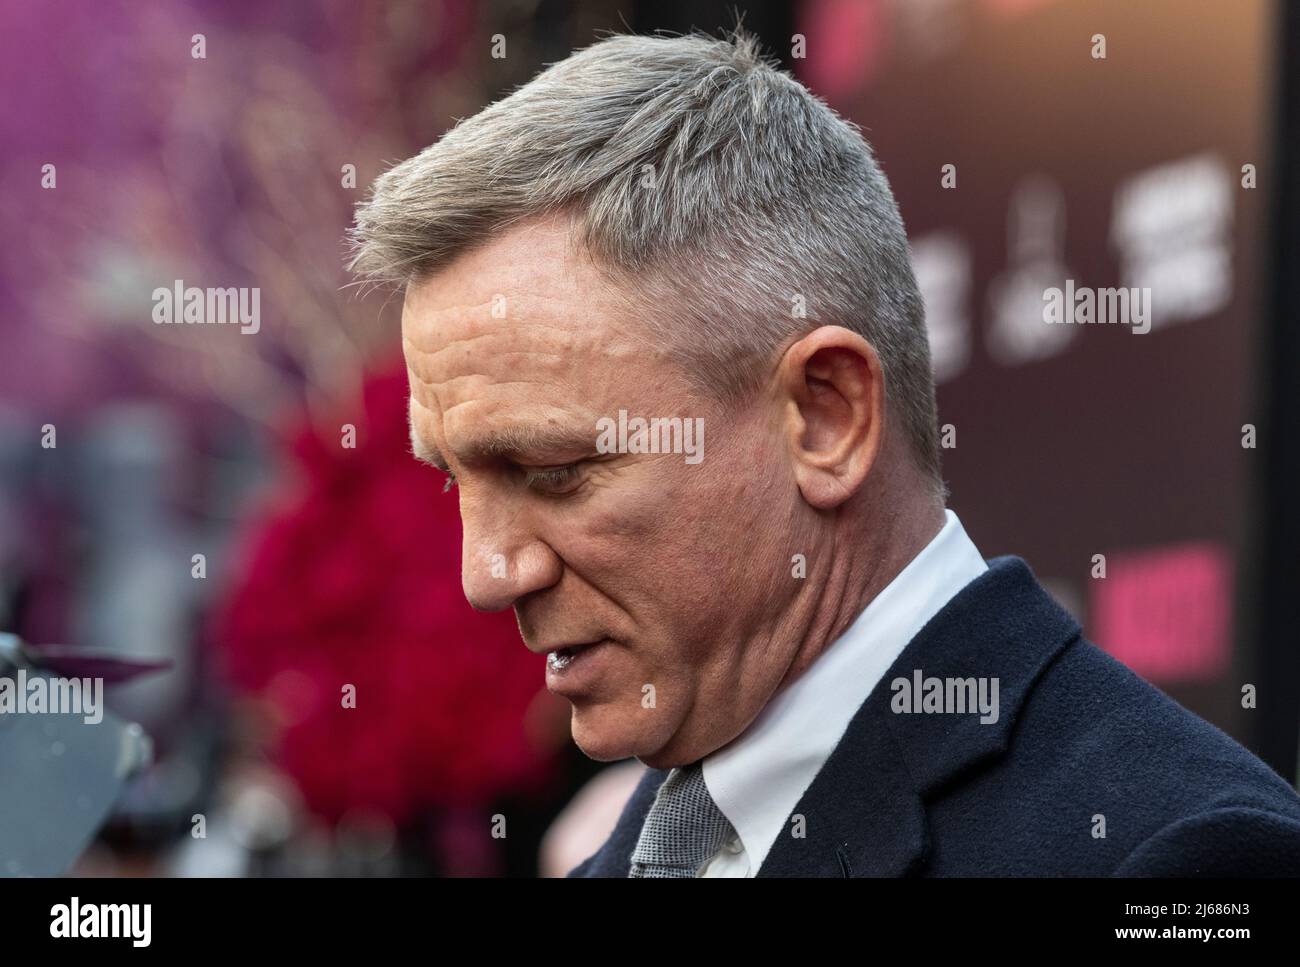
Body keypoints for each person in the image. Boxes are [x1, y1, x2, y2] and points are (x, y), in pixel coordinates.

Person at [348, 31, 1300, 876]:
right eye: (454, 479)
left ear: (826, 416)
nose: (485, 572)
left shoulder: (1180, 855)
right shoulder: (637, 848)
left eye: (554, 470)